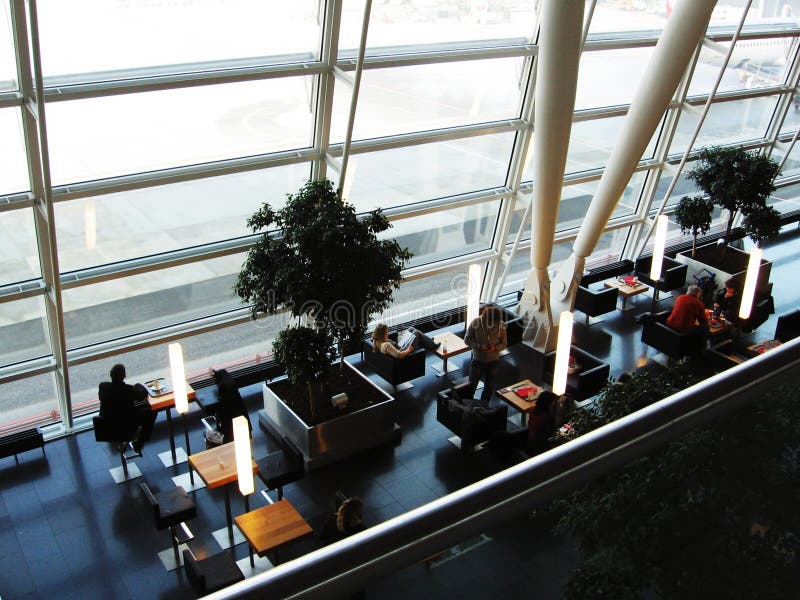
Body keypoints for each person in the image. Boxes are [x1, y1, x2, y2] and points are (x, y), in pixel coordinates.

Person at [98, 363, 157, 453]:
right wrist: (138, 385)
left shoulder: (103, 387)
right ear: (124, 376)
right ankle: (140, 442)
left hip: (107, 426)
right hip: (126, 425)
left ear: (110, 374)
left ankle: (127, 441)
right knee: (151, 413)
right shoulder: (129, 389)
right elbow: (143, 394)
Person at [464, 304, 507, 404]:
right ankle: (468, 405)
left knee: (489, 386)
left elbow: (504, 344)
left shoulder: (501, 325)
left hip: (494, 361)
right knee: (472, 385)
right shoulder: (476, 322)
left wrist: (495, 348)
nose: (493, 324)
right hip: (478, 360)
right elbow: (467, 340)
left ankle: (484, 405)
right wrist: (479, 346)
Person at [212, 368, 251, 443]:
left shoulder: (222, 385)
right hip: (238, 409)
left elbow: (221, 399)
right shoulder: (230, 381)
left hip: (228, 413)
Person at [370, 323, 439, 358]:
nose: (387, 333)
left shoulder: (377, 340)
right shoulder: (386, 345)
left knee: (411, 329)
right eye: (386, 332)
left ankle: (427, 341)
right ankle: (432, 345)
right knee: (416, 332)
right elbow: (399, 355)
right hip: (405, 352)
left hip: (400, 346)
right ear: (382, 334)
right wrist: (409, 350)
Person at [527, 391, 557, 455]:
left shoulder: (533, 409)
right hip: (542, 449)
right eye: (553, 403)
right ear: (548, 404)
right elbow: (550, 435)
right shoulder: (546, 418)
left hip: (532, 443)